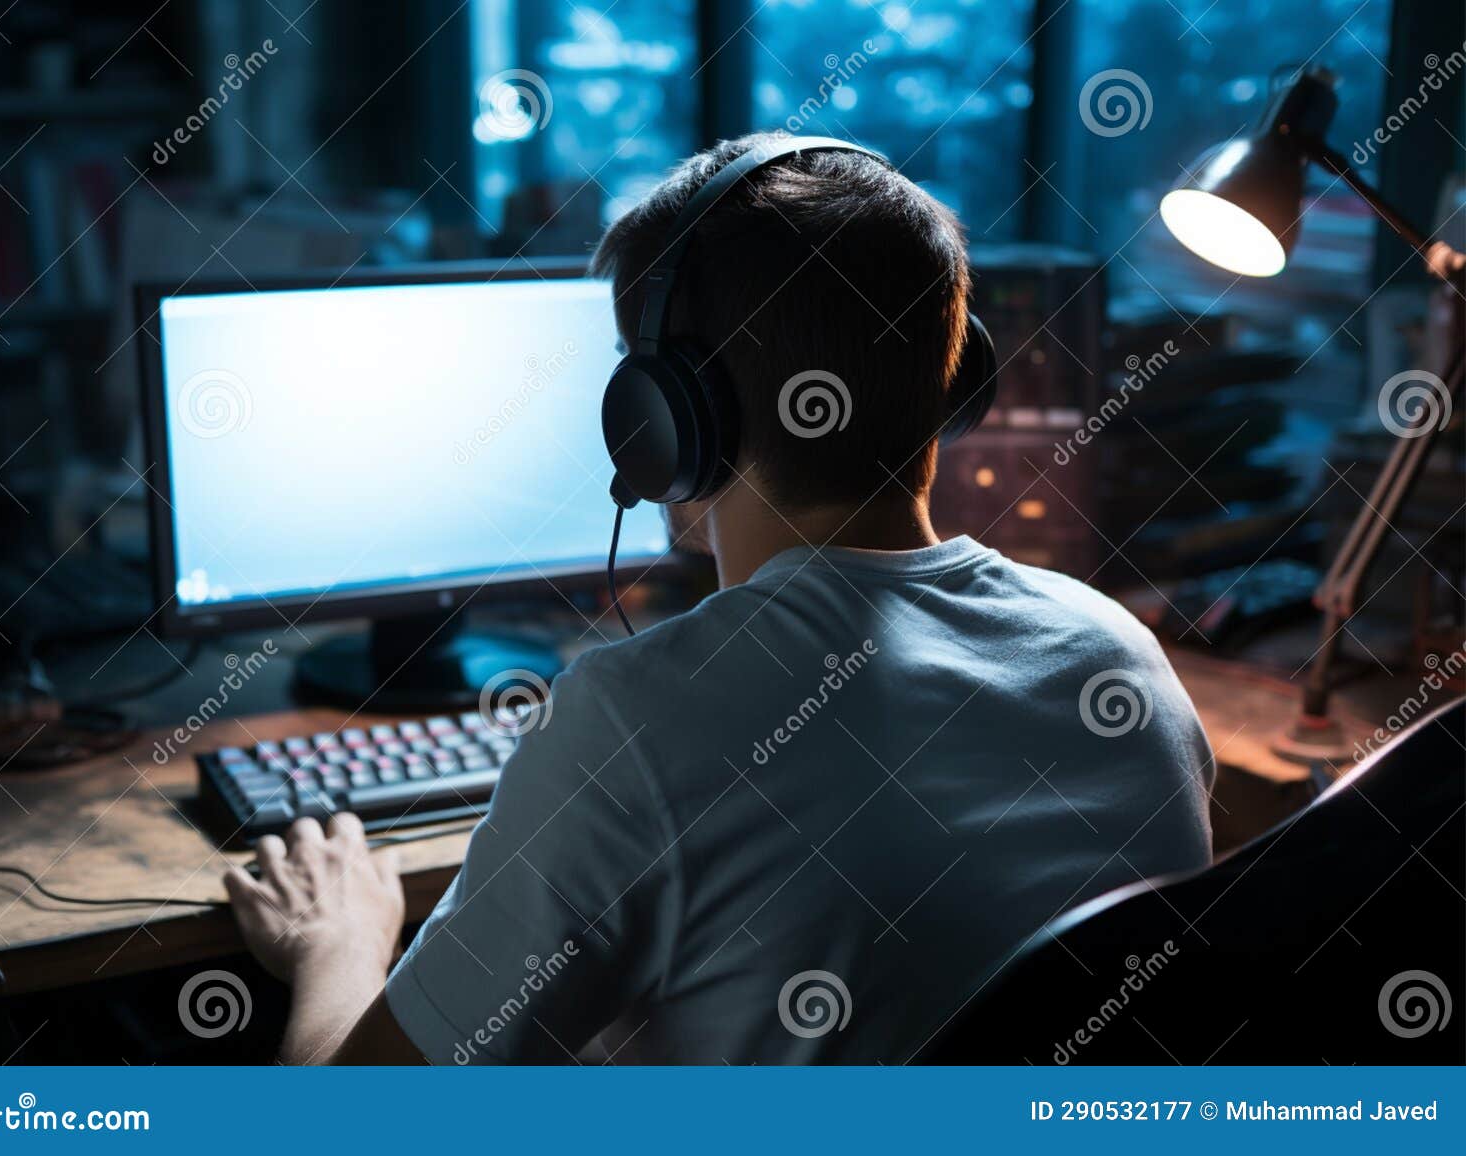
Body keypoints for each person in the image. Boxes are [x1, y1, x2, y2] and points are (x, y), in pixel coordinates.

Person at [225, 133, 1215, 1065]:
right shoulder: (1120, 658)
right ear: (953, 381)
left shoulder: (640, 723)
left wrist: (340, 946)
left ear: (663, 421)